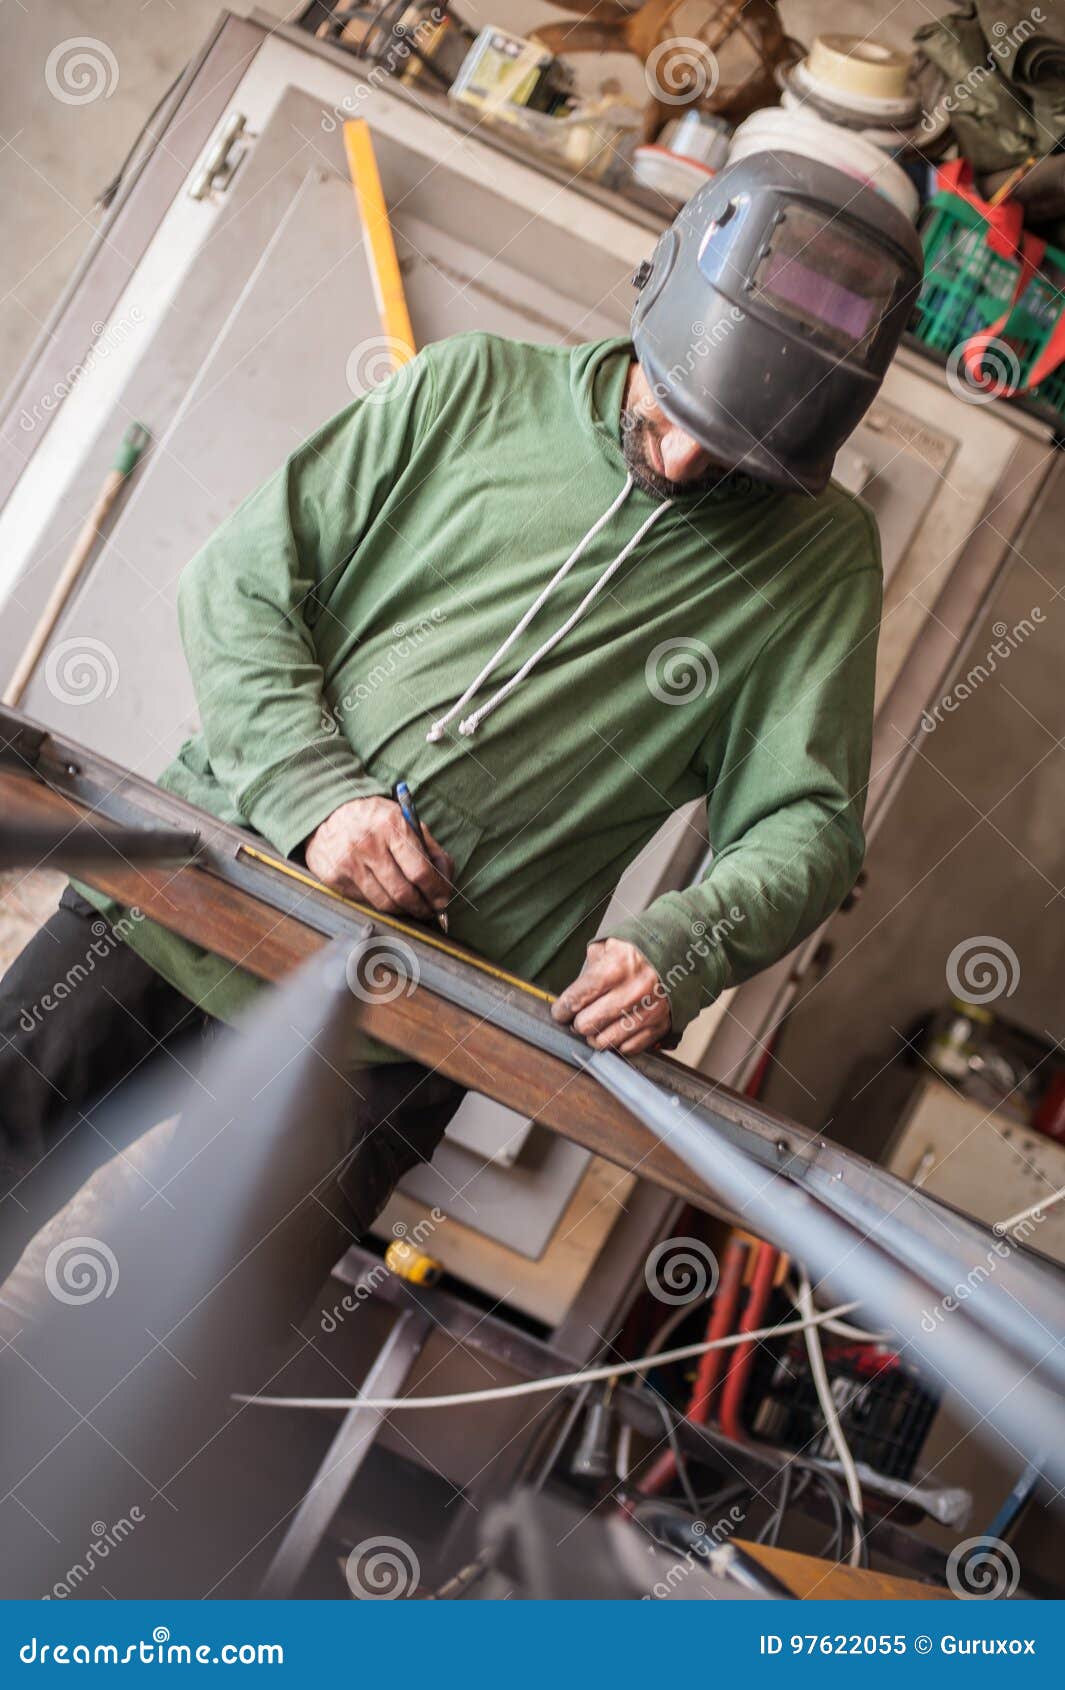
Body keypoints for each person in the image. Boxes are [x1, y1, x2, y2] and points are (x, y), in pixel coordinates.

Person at [0, 152, 922, 1276]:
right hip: (184, 891)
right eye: (669, 409)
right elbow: (238, 582)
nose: (680, 460)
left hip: (397, 1026)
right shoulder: (470, 388)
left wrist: (681, 948)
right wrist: (317, 797)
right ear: (657, 296)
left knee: (178, 1353)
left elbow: (807, 824)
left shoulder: (819, 562)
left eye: (730, 456)